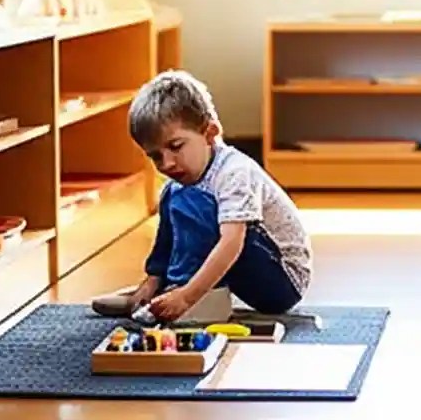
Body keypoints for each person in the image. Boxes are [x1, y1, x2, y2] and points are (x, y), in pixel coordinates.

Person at [92, 70, 312, 321]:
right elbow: (167, 240)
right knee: (172, 193)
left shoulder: (234, 171)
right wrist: (154, 277)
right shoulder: (182, 180)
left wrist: (187, 296)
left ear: (209, 133)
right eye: (155, 156)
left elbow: (232, 242)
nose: (166, 163)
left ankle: (182, 293)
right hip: (239, 263)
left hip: (282, 279)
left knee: (193, 202)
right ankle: (152, 289)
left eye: (175, 147)